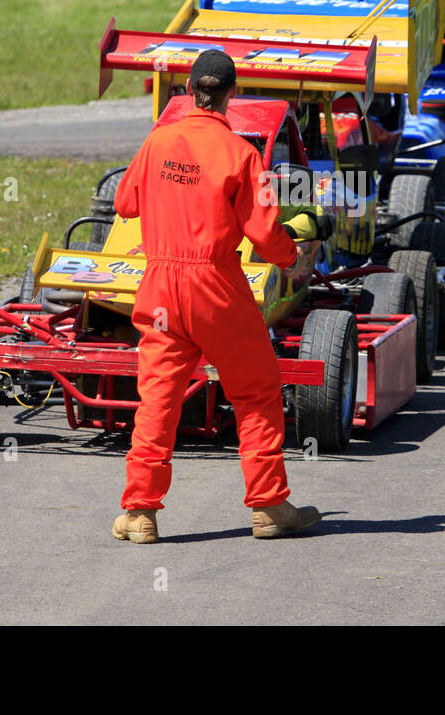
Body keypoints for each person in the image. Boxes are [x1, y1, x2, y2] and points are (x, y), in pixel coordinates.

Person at [111, 50, 323, 544]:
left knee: (158, 400)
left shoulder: (159, 140)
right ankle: (269, 506)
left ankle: (141, 513)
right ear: (231, 95)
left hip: (162, 287)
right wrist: (293, 252)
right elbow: (267, 238)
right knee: (255, 390)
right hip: (217, 287)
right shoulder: (240, 154)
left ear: (188, 90)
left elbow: (125, 203)